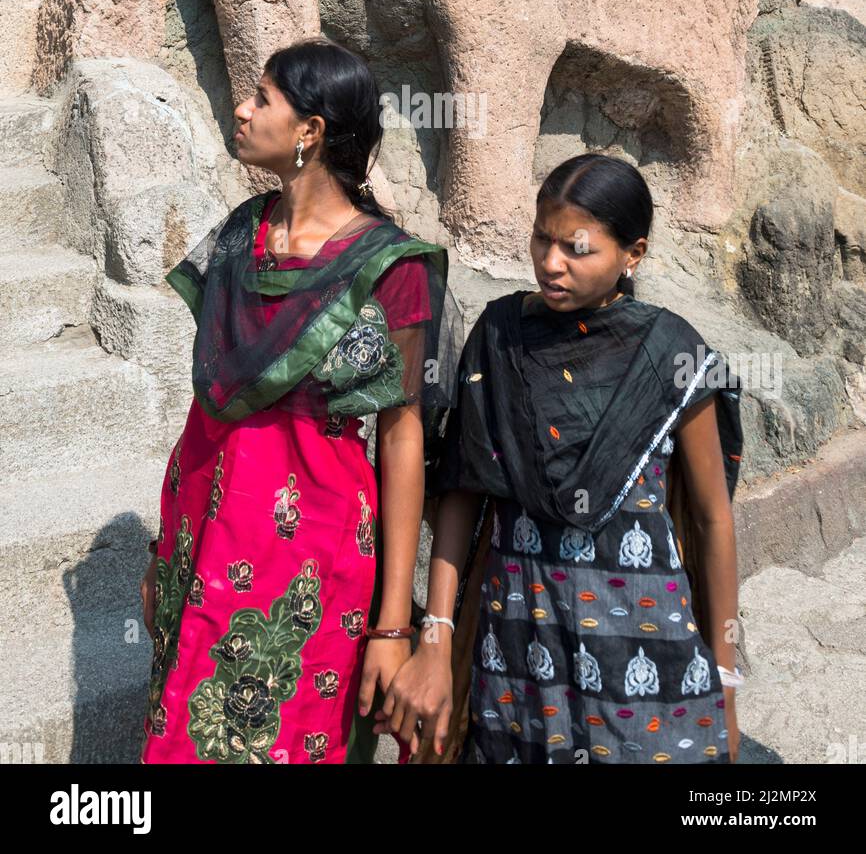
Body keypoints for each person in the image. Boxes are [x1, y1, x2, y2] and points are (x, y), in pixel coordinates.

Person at [139, 38, 461, 764]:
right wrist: (164, 551)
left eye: (262, 98)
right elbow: (213, 403)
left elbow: (402, 436)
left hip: (306, 554)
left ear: (309, 131)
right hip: (201, 528)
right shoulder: (238, 236)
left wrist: (391, 626)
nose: (243, 109)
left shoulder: (388, 265)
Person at [374, 153, 744, 765]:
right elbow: (463, 491)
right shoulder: (499, 337)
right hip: (517, 639)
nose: (551, 263)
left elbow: (711, 519)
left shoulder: (671, 351)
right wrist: (436, 640)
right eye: (541, 239)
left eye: (577, 248)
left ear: (634, 253)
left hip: (643, 642)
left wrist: (725, 679)